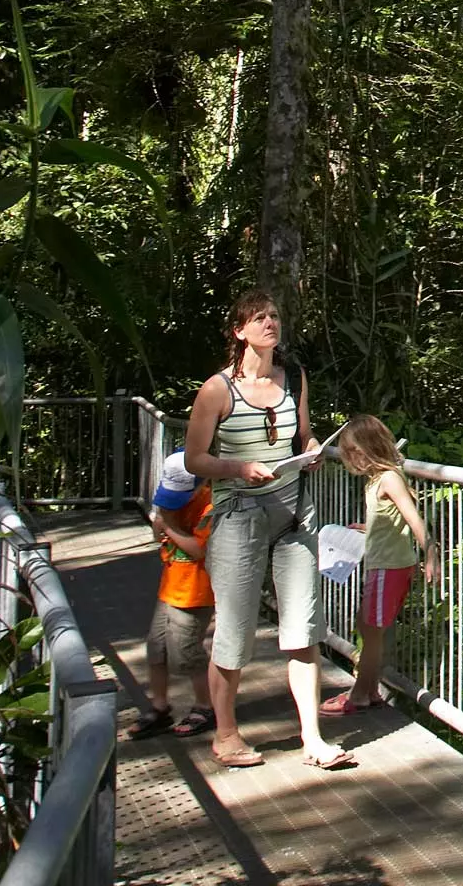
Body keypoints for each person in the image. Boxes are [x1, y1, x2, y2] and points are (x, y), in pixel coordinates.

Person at [182, 288, 353, 771]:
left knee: (304, 629)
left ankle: (313, 739)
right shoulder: (217, 389)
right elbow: (195, 458)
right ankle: (227, 734)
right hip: (239, 516)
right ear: (239, 331)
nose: (269, 323)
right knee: (235, 631)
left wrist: (315, 448)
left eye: (274, 316)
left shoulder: (294, 376)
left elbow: (303, 432)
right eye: (259, 318)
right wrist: (239, 468)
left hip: (295, 512)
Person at [318, 416, 438, 718]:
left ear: (367, 449)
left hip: (389, 567)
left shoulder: (388, 478)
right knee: (366, 624)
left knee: (372, 632)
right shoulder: (378, 478)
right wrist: (367, 529)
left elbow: (413, 518)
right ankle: (369, 688)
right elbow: (389, 519)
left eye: (352, 452)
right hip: (381, 564)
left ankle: (360, 694)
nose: (350, 459)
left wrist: (431, 553)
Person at [128, 449, 215, 739]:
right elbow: (160, 539)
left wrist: (171, 526)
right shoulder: (169, 505)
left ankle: (205, 705)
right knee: (157, 648)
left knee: (187, 651)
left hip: (195, 593)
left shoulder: (209, 508)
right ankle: (160, 705)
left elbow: (199, 549)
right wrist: (160, 526)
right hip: (170, 587)